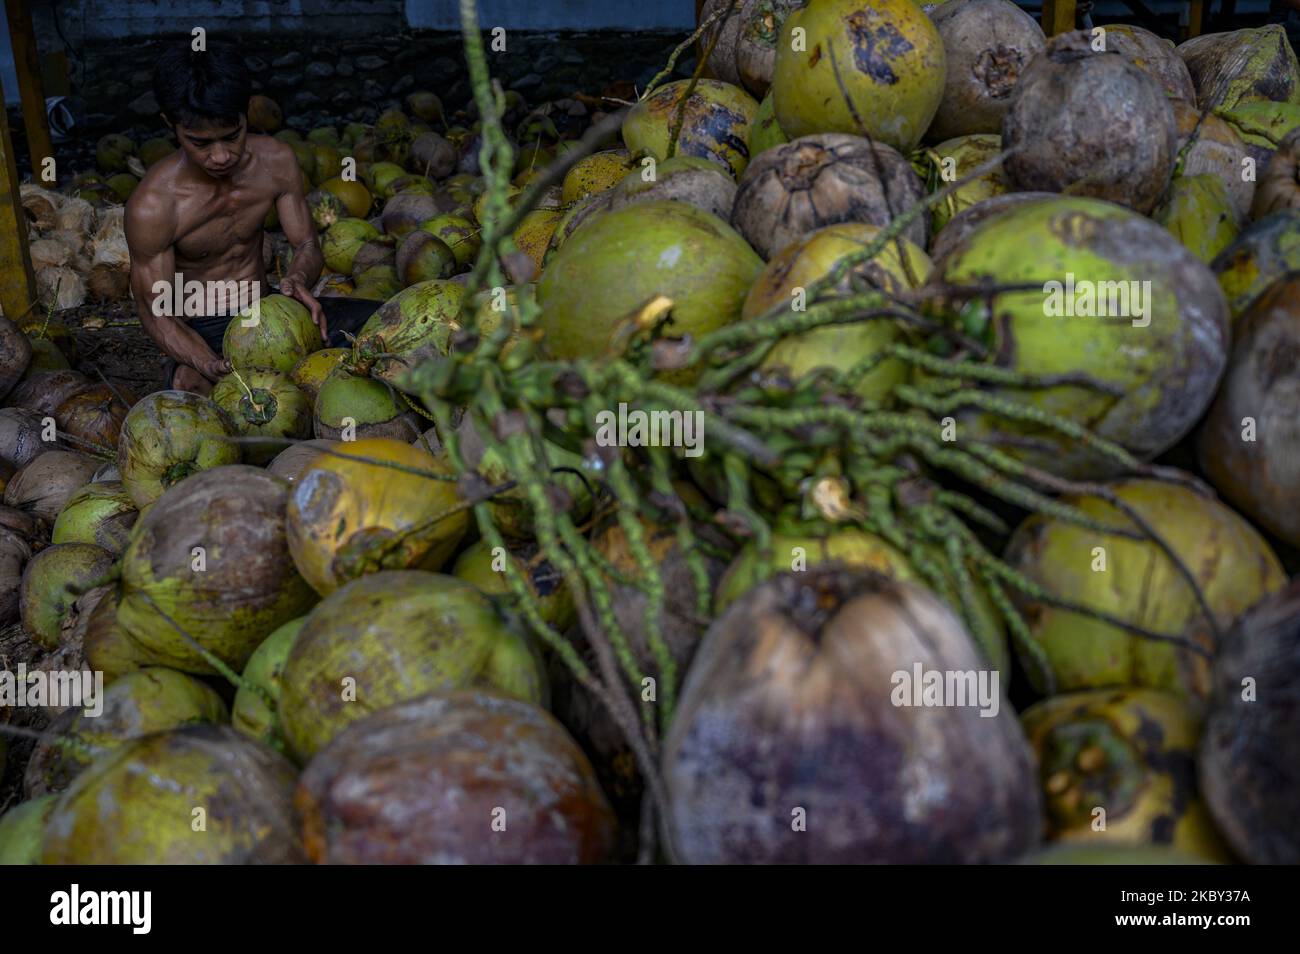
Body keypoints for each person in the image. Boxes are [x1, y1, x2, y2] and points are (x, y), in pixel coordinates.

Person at [125, 41, 374, 394]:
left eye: (232, 136)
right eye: (201, 143)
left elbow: (305, 243)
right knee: (194, 385)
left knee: (384, 325)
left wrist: (298, 279)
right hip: (206, 329)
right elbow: (155, 311)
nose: (222, 155)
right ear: (170, 124)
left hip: (273, 308)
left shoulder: (276, 162)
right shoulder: (154, 205)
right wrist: (203, 361)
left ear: (246, 113)